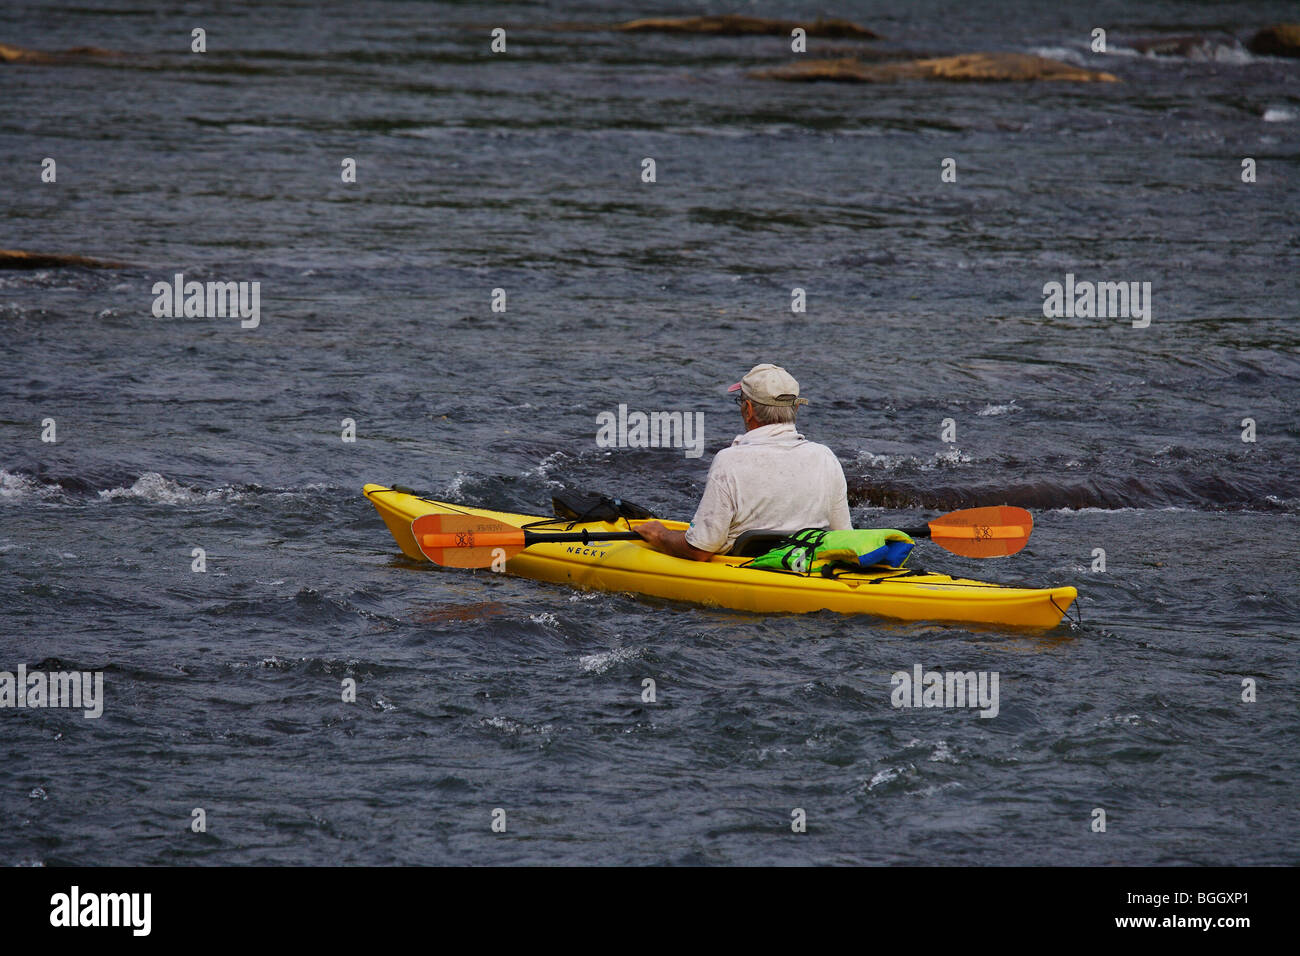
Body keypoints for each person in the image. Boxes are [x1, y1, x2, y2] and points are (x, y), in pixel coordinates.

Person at [635, 363, 852, 561]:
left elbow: (700, 549)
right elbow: (844, 538)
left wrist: (660, 535)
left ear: (748, 410)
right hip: (803, 566)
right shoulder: (826, 457)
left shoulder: (729, 460)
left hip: (743, 567)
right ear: (794, 409)